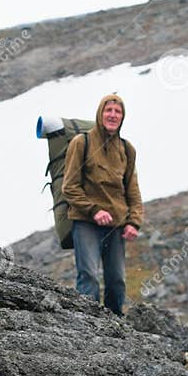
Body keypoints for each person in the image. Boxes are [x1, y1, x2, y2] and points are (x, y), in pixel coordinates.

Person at [62, 94, 143, 315]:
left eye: (118, 112)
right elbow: (69, 187)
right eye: (109, 110)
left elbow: (132, 189)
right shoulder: (82, 143)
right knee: (88, 275)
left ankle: (115, 325)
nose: (113, 115)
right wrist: (94, 210)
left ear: (123, 117)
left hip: (116, 225)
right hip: (86, 221)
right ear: (100, 113)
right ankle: (88, 323)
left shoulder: (127, 149)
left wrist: (134, 221)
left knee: (117, 280)